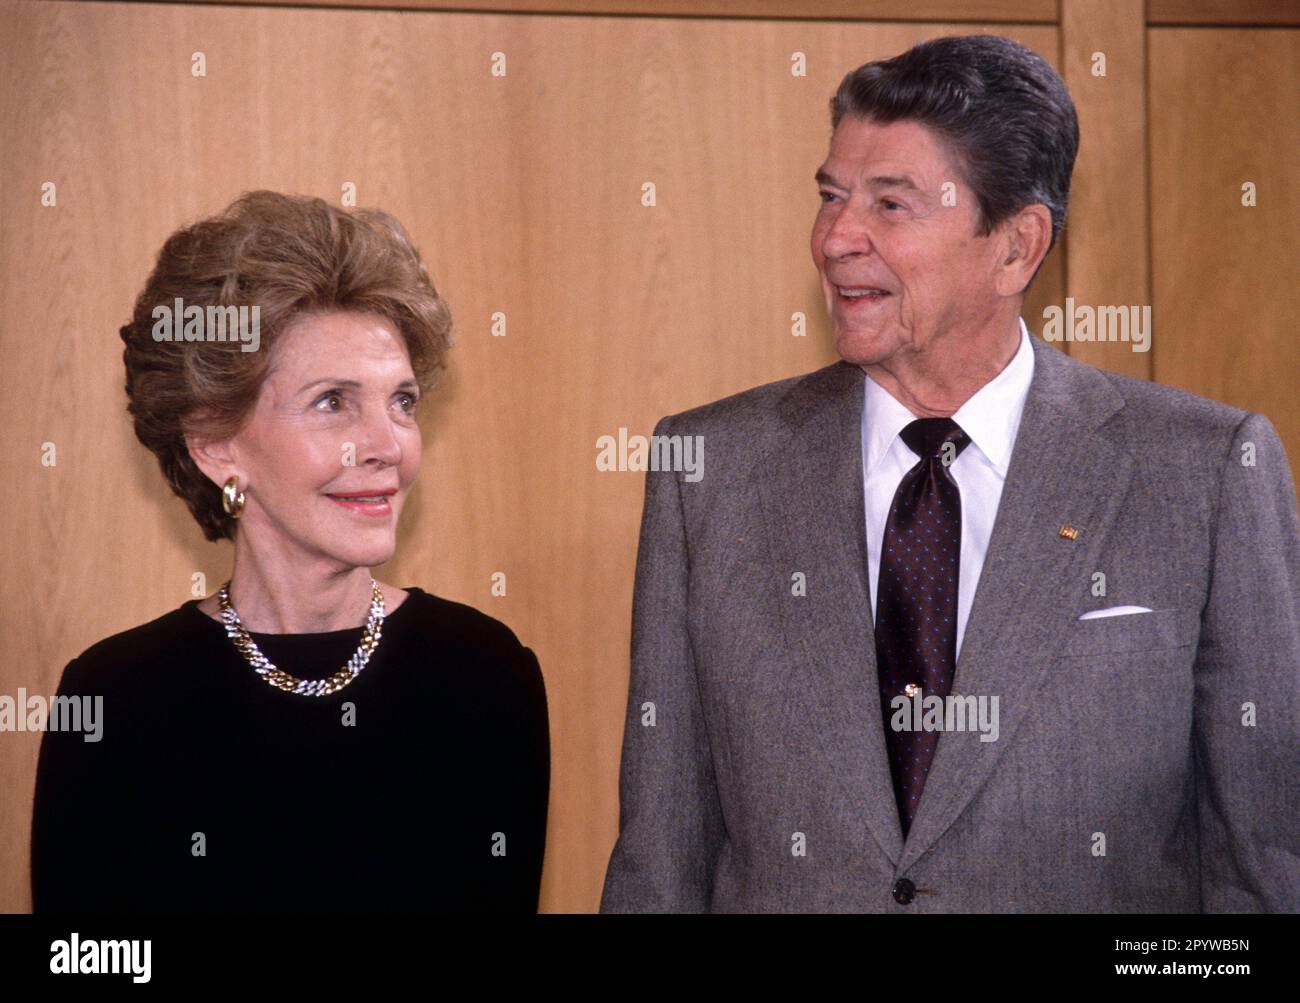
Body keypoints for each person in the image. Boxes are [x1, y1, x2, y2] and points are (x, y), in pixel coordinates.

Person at [600, 35, 1298, 912]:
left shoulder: (1206, 473)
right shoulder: (706, 472)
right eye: (831, 196)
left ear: (1015, 247)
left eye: (890, 205)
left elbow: (1266, 870)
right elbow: (660, 858)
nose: (835, 238)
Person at [31, 191, 549, 913]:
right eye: (334, 401)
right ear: (217, 443)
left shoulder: (485, 674)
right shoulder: (115, 696)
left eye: (402, 401)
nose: (386, 446)